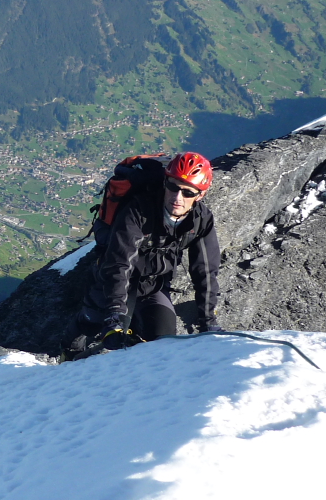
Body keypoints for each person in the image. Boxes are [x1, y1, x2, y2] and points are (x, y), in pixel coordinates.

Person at [64, 152, 221, 359]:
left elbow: (205, 271)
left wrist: (208, 320)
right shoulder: (140, 209)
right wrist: (115, 312)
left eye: (187, 193)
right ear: (165, 181)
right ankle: (69, 349)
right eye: (173, 187)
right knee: (94, 323)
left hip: (154, 284)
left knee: (163, 340)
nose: (177, 197)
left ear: (200, 195)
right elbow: (120, 262)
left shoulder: (201, 220)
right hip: (117, 280)